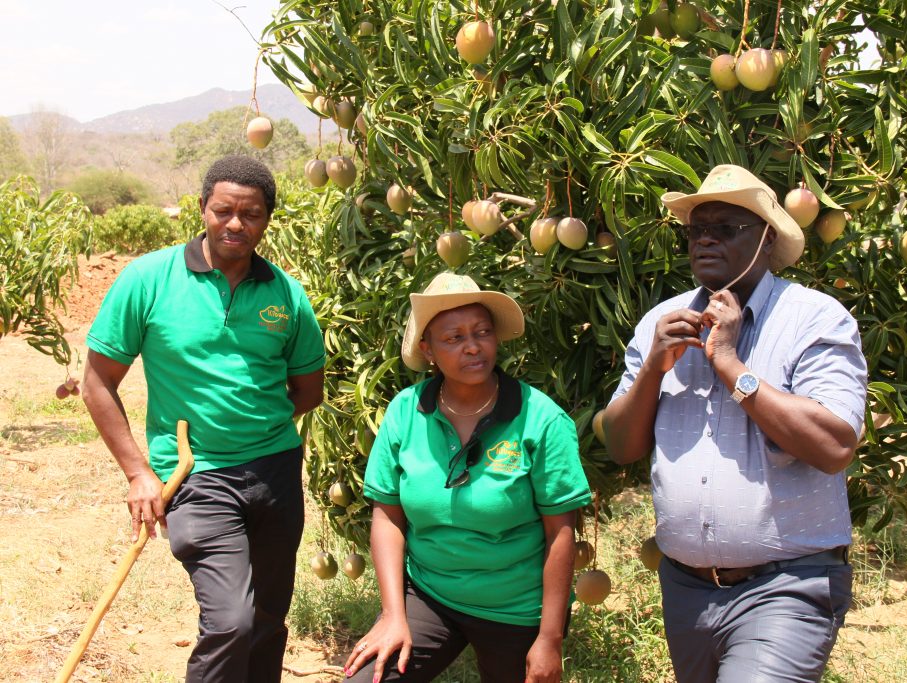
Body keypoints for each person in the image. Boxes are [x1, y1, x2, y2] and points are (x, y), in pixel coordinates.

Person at [604, 165, 867, 682]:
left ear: (767, 238)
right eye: (696, 229)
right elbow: (619, 445)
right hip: (685, 589)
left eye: (725, 228)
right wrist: (653, 369)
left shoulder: (814, 318)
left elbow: (834, 445)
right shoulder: (662, 324)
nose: (704, 239)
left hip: (788, 583)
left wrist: (729, 364)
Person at [81, 155, 325, 683]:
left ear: (267, 219)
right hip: (195, 476)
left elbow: (308, 391)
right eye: (223, 211)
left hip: (276, 472)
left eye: (251, 214)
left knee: (266, 618)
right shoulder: (147, 280)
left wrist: (252, 411)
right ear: (202, 209)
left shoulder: (287, 295)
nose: (236, 224)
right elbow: (97, 381)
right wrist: (138, 473)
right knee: (231, 622)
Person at [343, 273, 592, 683]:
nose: (473, 346)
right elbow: (387, 517)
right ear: (428, 350)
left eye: (481, 332)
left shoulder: (540, 418)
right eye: (453, 338)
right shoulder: (406, 411)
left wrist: (550, 639)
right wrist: (392, 615)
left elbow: (560, 534)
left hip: (515, 606)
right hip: (431, 595)